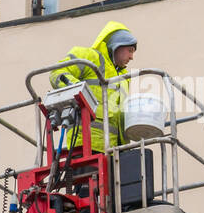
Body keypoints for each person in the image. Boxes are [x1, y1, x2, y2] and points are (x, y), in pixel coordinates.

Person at [48, 21, 138, 152]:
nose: (132, 57)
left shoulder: (124, 79)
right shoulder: (90, 57)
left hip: (115, 152)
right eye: (129, 50)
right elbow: (57, 73)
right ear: (116, 46)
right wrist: (79, 90)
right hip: (84, 144)